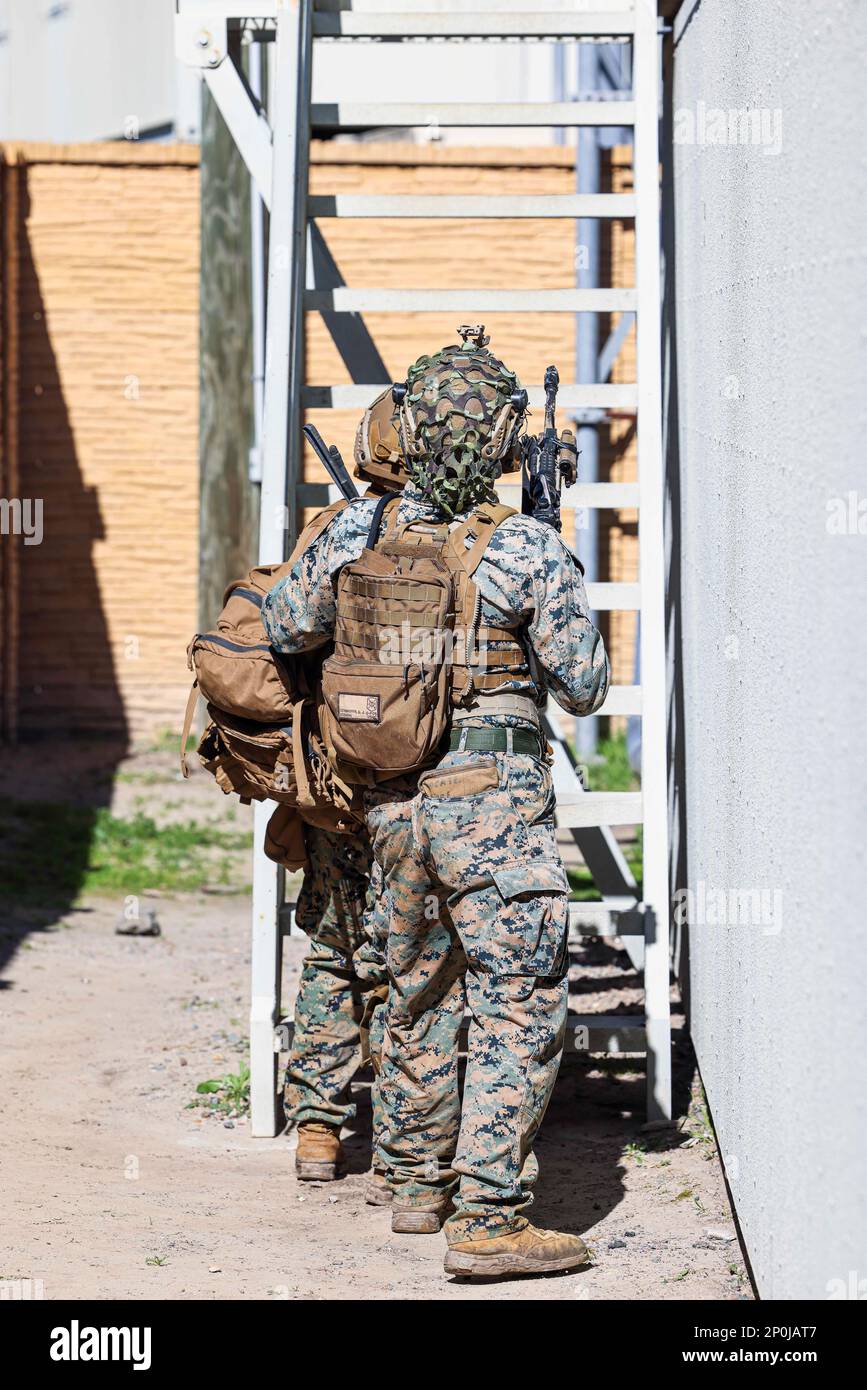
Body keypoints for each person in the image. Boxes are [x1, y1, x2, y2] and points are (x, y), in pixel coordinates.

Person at [262, 328, 609, 1278]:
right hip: (493, 801)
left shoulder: (353, 529)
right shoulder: (526, 546)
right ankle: (487, 1218)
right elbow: (583, 686)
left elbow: (286, 623)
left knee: (414, 986)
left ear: (406, 430)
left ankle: (415, 1185)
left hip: (388, 804)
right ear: (504, 437)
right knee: (516, 995)